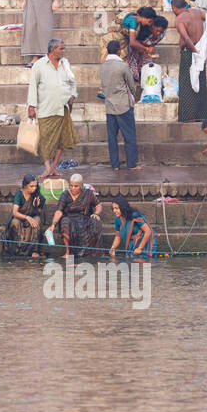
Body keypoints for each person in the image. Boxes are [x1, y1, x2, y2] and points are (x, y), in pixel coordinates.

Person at [28, 38, 77, 180]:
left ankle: (53, 167)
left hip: (63, 108)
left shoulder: (65, 64)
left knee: (61, 140)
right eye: (61, 48)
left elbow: (72, 82)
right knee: (45, 140)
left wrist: (73, 95)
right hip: (45, 108)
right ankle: (48, 168)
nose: (63, 51)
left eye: (63, 48)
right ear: (52, 50)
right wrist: (32, 106)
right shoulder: (39, 65)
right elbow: (33, 86)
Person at [173, 0, 207, 124]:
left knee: (187, 83)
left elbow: (186, 37)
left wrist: (195, 51)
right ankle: (202, 115)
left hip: (190, 52)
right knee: (200, 81)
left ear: (174, 8)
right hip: (201, 50)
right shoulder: (196, 12)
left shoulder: (179, 19)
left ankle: (188, 116)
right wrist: (206, 40)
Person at [101, 39, 139, 170]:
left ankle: (115, 165)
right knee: (129, 135)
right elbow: (131, 85)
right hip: (123, 106)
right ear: (119, 51)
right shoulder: (122, 66)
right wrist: (134, 94)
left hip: (109, 106)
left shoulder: (103, 66)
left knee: (112, 137)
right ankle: (132, 164)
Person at [51, 174, 102, 258]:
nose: (73, 188)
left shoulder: (88, 193)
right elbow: (59, 211)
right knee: (65, 222)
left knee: (96, 222)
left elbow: (98, 205)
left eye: (76, 186)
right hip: (70, 219)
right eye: (71, 186)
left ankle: (91, 252)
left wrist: (96, 213)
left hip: (85, 219)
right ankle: (68, 252)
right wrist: (53, 224)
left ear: (81, 186)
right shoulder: (65, 194)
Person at [3, 175, 46, 259]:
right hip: (20, 219)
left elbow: (39, 213)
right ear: (25, 186)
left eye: (35, 186)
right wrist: (26, 217)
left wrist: (36, 206)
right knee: (15, 222)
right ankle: (18, 249)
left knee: (37, 220)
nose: (34, 188)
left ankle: (34, 250)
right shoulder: (19, 194)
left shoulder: (37, 195)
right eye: (31, 186)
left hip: (32, 221)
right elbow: (15, 212)